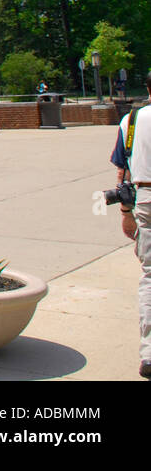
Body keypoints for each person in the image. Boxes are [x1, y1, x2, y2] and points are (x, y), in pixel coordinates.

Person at [111, 71, 151, 379]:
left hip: (145, 200)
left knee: (150, 278)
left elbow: (122, 173)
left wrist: (125, 211)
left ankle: (149, 354)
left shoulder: (131, 122)